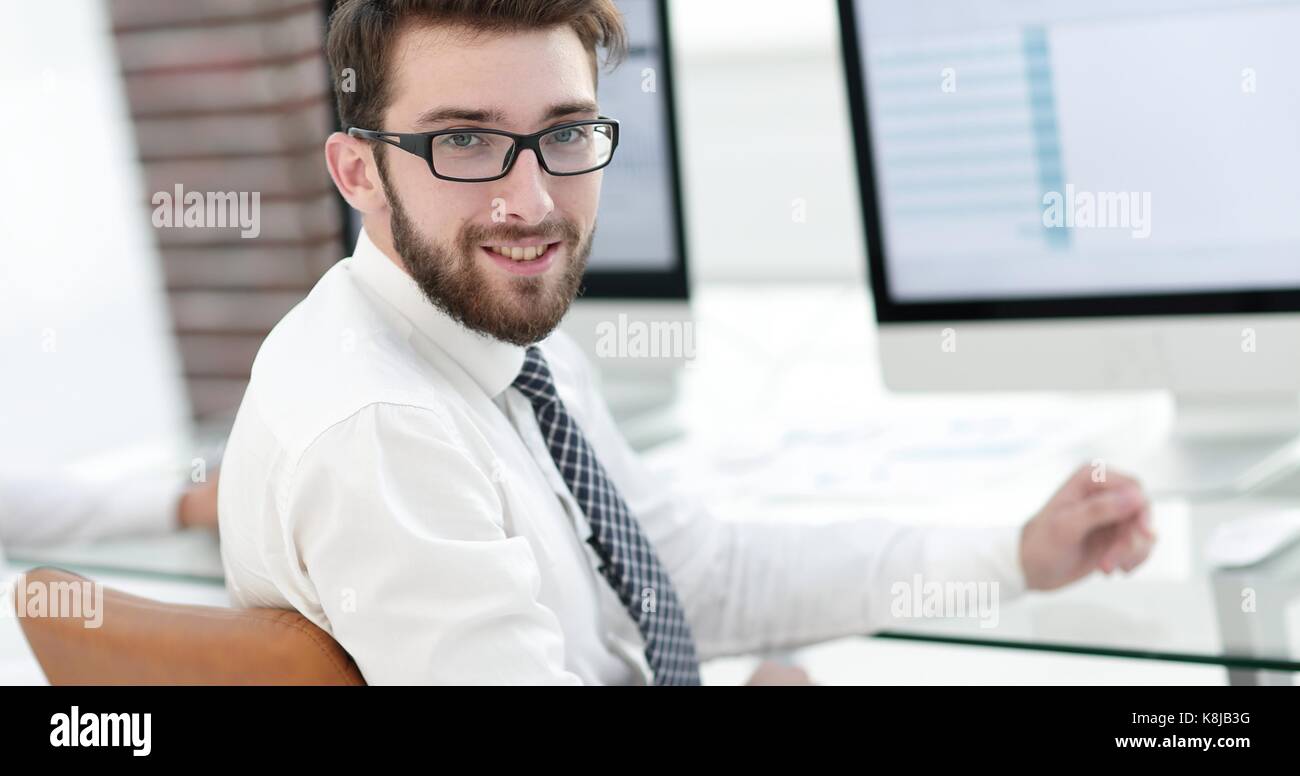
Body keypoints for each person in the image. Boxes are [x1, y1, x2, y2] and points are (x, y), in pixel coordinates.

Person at [217, 0, 1155, 685]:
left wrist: (1010, 557)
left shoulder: (504, 346)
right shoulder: (382, 431)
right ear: (359, 172)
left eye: (565, 132)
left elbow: (691, 581)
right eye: (464, 142)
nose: (533, 203)